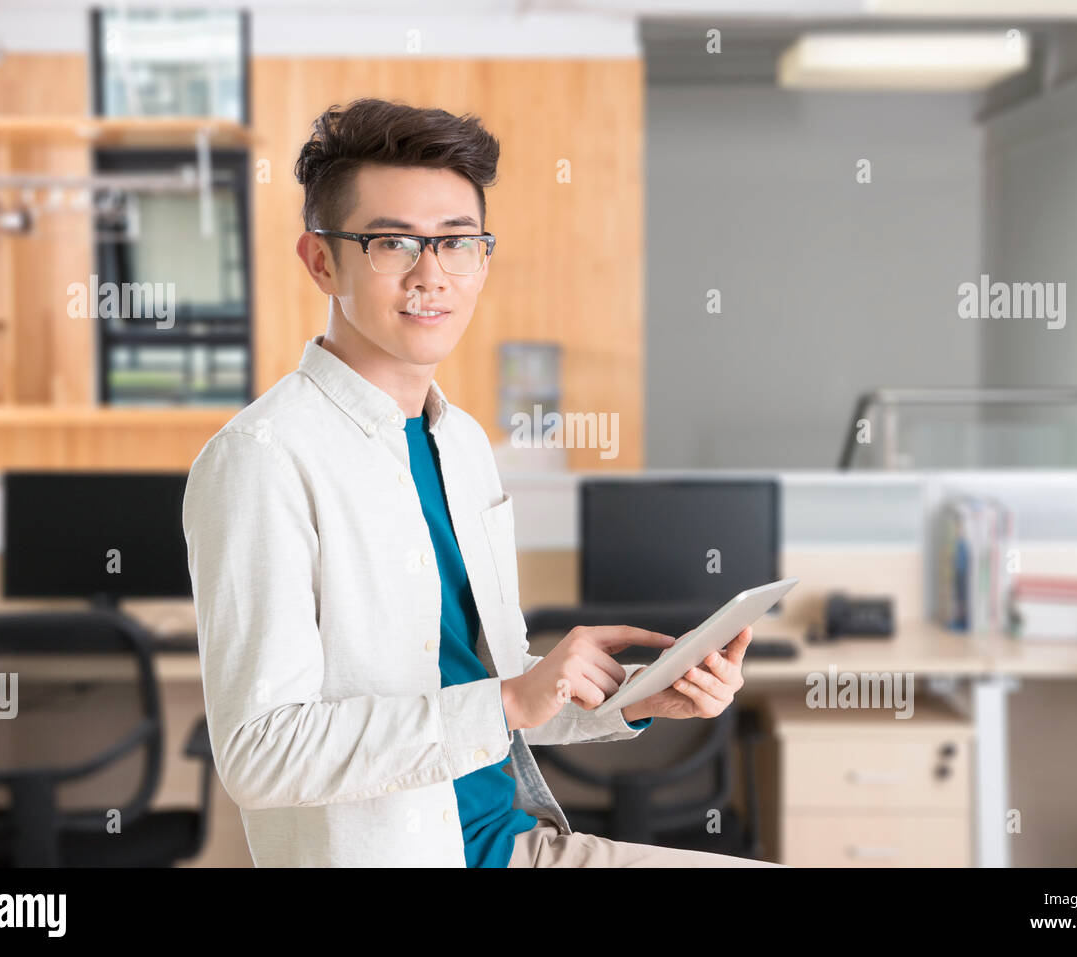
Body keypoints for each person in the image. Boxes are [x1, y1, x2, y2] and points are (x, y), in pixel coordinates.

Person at [182, 97, 782, 868]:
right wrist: (509, 700)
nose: (431, 275)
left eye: (457, 243)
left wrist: (635, 697)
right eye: (392, 241)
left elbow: (487, 690)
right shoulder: (262, 458)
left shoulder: (460, 442)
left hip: (510, 846)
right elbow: (259, 754)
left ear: (482, 258)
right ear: (321, 259)